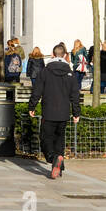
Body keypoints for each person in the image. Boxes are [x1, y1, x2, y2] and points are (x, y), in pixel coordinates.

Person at [28, 43, 80, 180]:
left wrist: (32, 106)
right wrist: (76, 113)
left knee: (45, 139)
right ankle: (59, 167)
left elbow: (37, 90)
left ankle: (53, 158)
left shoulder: (45, 71)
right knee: (59, 140)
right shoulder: (70, 73)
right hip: (64, 113)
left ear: (52, 54)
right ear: (65, 55)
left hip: (49, 111)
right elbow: (75, 94)